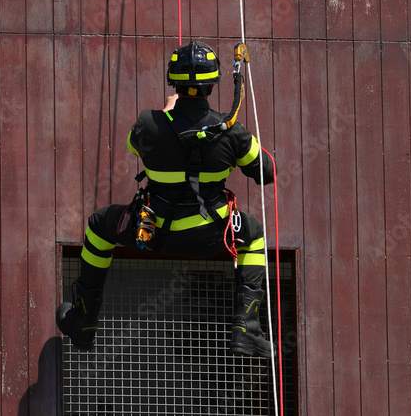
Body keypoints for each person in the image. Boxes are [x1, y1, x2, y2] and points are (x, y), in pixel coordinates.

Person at [56, 40, 275, 357]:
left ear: (173, 81)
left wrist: (169, 113)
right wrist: (238, 137)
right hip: (213, 236)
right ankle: (246, 329)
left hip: (153, 234)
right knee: (253, 233)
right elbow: (266, 172)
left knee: (98, 225)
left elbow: (136, 145)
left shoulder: (149, 124)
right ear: (213, 84)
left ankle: (84, 321)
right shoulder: (231, 130)